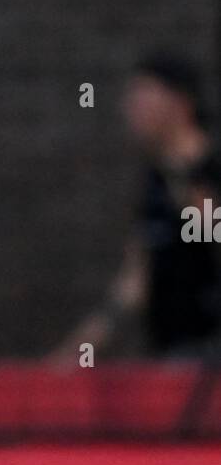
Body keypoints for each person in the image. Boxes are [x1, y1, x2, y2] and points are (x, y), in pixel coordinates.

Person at [50, 52, 221, 362]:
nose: (130, 110)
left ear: (181, 104)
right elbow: (135, 283)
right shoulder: (156, 182)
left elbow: (211, 230)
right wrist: (73, 355)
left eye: (143, 98)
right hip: (173, 359)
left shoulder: (207, 171)